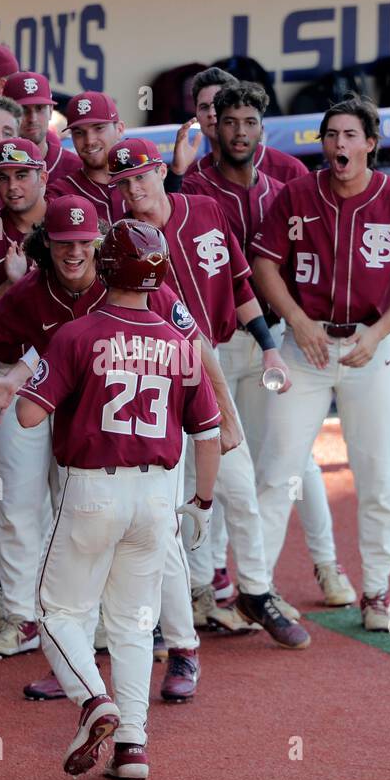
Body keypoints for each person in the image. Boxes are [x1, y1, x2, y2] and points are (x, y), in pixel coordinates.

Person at [14, 218, 221, 780]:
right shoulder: (181, 343)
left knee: (58, 612)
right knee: (133, 623)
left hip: (93, 489)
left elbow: (28, 414)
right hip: (160, 496)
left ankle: (93, 701)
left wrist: (44, 372)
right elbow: (208, 434)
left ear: (107, 268)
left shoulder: (78, 333)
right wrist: (202, 502)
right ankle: (133, 744)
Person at [251, 95, 390, 631]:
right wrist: (295, 319)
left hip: (367, 348)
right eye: (331, 134)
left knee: (377, 476)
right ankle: (257, 591)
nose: (339, 144)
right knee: (276, 473)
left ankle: (376, 591)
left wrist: (379, 333)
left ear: (370, 144)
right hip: (304, 345)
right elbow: (264, 265)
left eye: (350, 135)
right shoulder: (296, 193)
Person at [109, 136, 305, 648]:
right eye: (124, 182)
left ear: (160, 172)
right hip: (157, 375)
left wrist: (268, 345)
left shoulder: (205, 209)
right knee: (163, 503)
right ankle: (171, 604)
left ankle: (256, 592)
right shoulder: (123, 238)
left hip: (215, 359)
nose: (134, 188)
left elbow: (241, 285)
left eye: (141, 176)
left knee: (237, 486)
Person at [181, 83, 348, 609]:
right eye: (223, 118)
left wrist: (304, 319)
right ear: (209, 122)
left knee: (291, 460)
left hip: (273, 337)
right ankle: (211, 580)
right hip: (215, 340)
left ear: (261, 126)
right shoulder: (192, 185)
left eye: (247, 121)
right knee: (213, 458)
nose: (235, 129)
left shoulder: (286, 177)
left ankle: (324, 564)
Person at [175, 66, 308, 185]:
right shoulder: (191, 176)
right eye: (204, 107)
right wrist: (177, 172)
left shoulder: (290, 170)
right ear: (196, 114)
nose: (211, 113)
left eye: (217, 106)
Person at [45, 92, 125, 225]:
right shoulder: (61, 193)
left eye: (99, 128)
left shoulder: (141, 183)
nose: (89, 140)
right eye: (79, 133)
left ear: (119, 129)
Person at [2, 72, 80, 183]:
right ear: (6, 113)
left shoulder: (74, 167)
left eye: (39, 108)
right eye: (24, 109)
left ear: (51, 110)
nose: (32, 118)